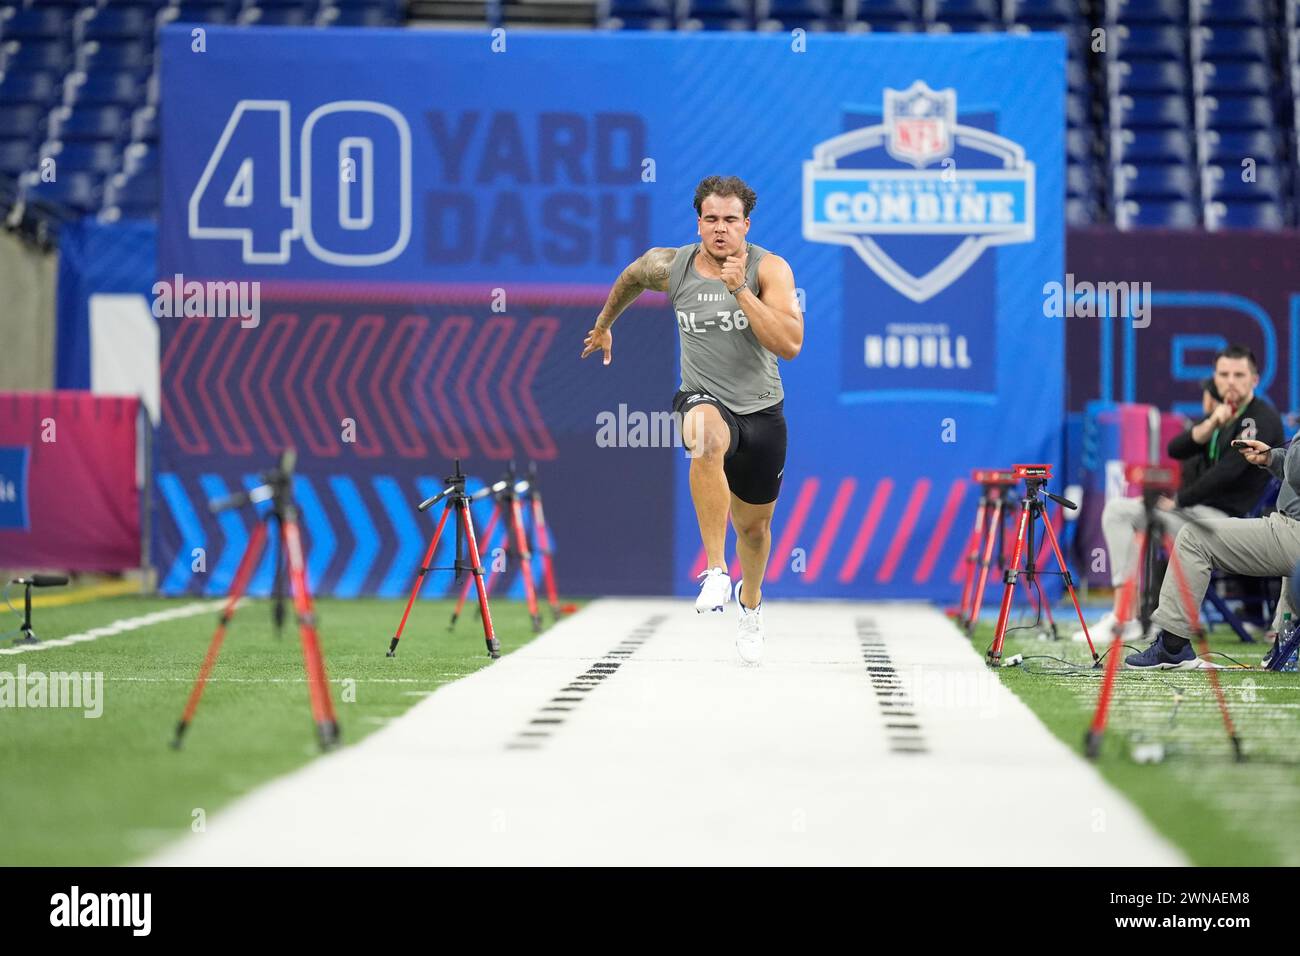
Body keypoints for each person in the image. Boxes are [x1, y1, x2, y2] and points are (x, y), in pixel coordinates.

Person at [580, 175, 804, 664]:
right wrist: (604, 326)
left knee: (755, 529)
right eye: (710, 219)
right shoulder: (673, 265)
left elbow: (789, 343)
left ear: (746, 224)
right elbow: (631, 276)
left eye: (730, 220)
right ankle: (717, 570)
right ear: (698, 222)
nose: (720, 229)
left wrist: (740, 291)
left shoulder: (771, 269)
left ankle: (751, 606)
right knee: (703, 436)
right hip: (703, 397)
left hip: (762, 410)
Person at [1074, 345, 1283, 642]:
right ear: (1215, 378)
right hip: (1197, 513)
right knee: (1119, 511)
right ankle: (1127, 612)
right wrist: (1212, 422)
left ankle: (1135, 616)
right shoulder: (1223, 416)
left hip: (1227, 520)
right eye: (1224, 374)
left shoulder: (1257, 418)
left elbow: (1228, 472)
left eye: (1239, 374)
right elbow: (1176, 449)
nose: (1231, 381)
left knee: (1146, 517)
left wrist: (1179, 501)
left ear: (1255, 380)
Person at [1127, 431, 1300, 668]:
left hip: (1294, 530)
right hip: (1288, 525)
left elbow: (1297, 471)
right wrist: (1272, 458)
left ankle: (1172, 645)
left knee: (1193, 537)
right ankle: (1289, 644)